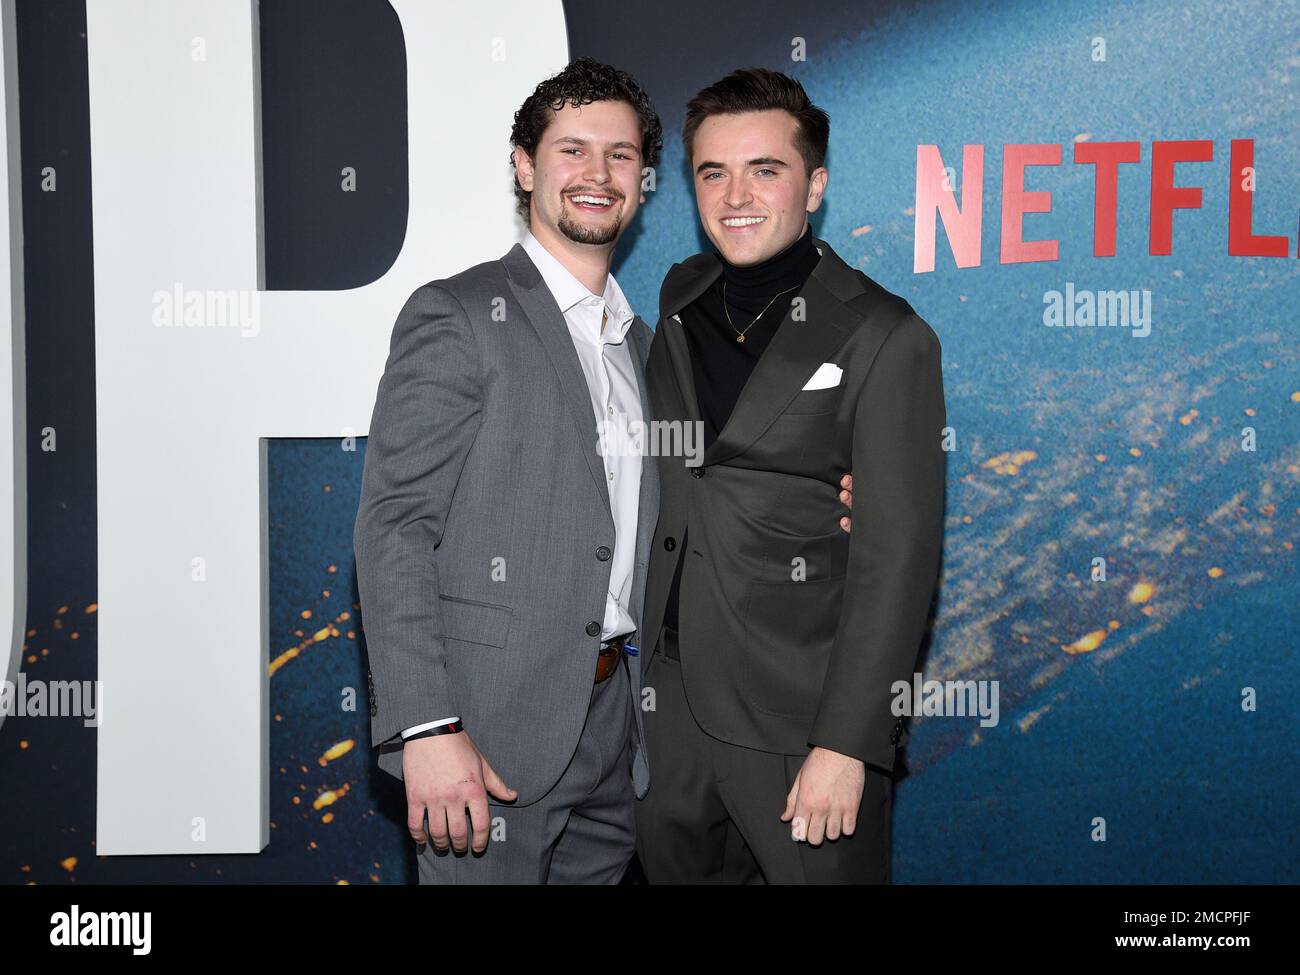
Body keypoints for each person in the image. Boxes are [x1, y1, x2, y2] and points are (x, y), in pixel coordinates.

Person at [353, 58, 663, 884]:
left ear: (643, 180)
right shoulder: (458, 314)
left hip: (613, 728)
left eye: (621, 155)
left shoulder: (641, 346)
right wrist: (427, 725)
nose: (598, 174)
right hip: (485, 732)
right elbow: (394, 529)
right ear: (525, 167)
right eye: (572, 150)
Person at [635, 68, 947, 883]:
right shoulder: (680, 295)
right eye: (713, 172)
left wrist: (848, 742)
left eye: (765, 170)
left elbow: (897, 560)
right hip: (667, 715)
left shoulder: (886, 335)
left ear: (815, 186)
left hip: (800, 724)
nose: (736, 194)